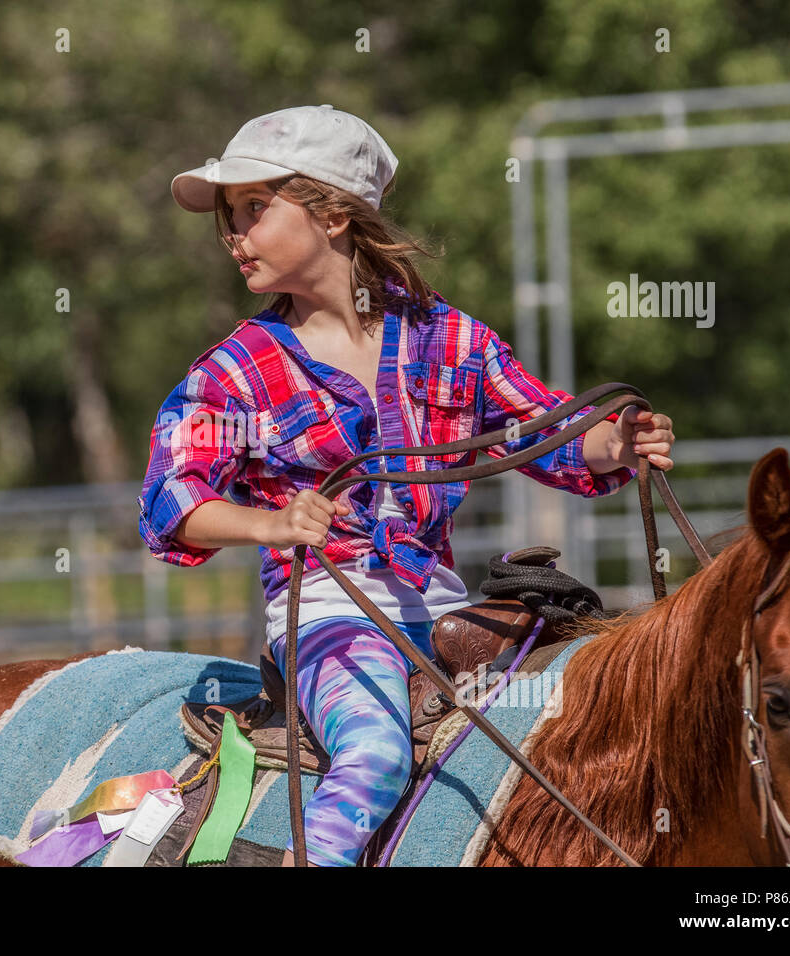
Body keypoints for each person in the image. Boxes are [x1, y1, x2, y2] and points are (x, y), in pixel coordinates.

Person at [137, 105, 675, 867]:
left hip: (450, 614)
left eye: (255, 209)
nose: (235, 234)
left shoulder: (450, 340)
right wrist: (271, 523)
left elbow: (545, 432)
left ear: (331, 215)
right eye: (230, 216)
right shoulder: (236, 372)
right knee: (376, 753)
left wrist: (616, 439)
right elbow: (172, 501)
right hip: (327, 618)